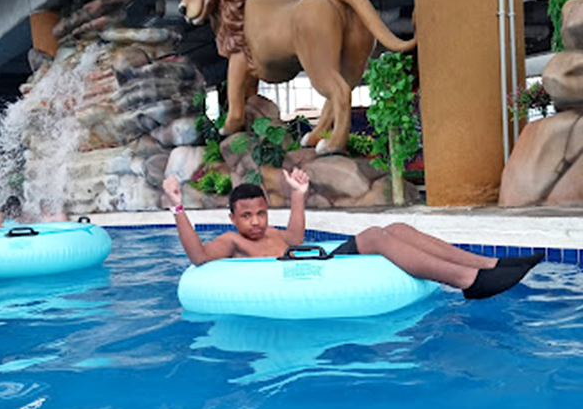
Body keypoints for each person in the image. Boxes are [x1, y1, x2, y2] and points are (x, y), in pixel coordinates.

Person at [162, 170, 544, 300]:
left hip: (319, 261)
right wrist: (179, 208)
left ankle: (489, 263)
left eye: (261, 213)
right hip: (322, 269)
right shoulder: (233, 243)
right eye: (247, 216)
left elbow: (296, 237)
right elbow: (198, 257)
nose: (257, 222)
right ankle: (467, 281)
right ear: (232, 218)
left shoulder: (273, 232)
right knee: (377, 236)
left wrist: (298, 195)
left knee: (395, 228)